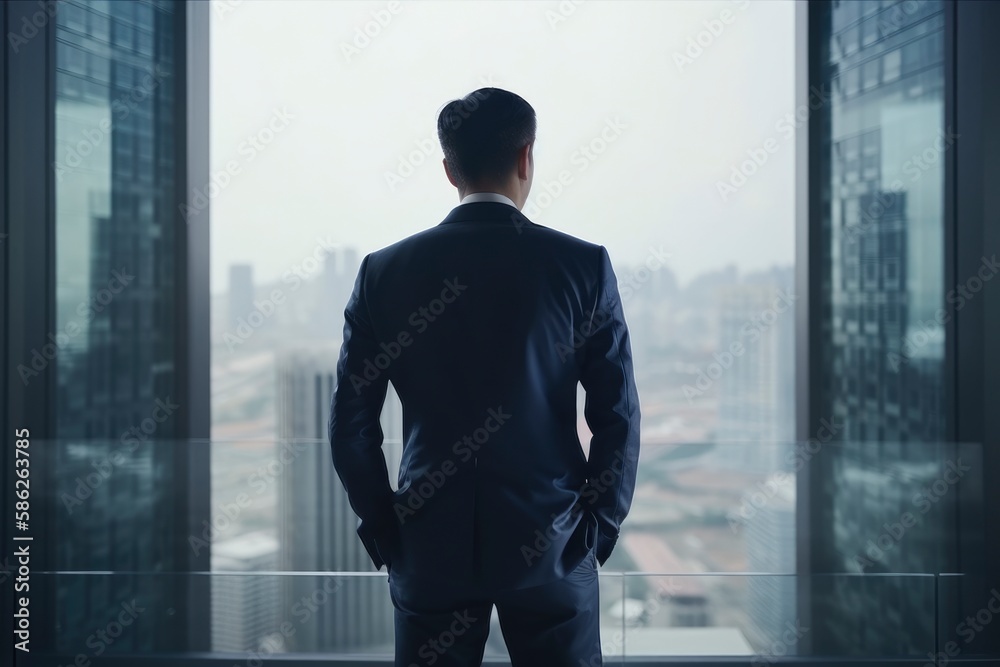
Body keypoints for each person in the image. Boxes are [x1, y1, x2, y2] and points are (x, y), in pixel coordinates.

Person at [329, 87, 640, 667]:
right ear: (527, 157)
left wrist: (389, 531)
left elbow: (350, 425)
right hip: (553, 543)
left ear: (449, 170)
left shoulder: (383, 272)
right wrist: (597, 530)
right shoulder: (581, 266)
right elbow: (617, 416)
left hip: (428, 545)